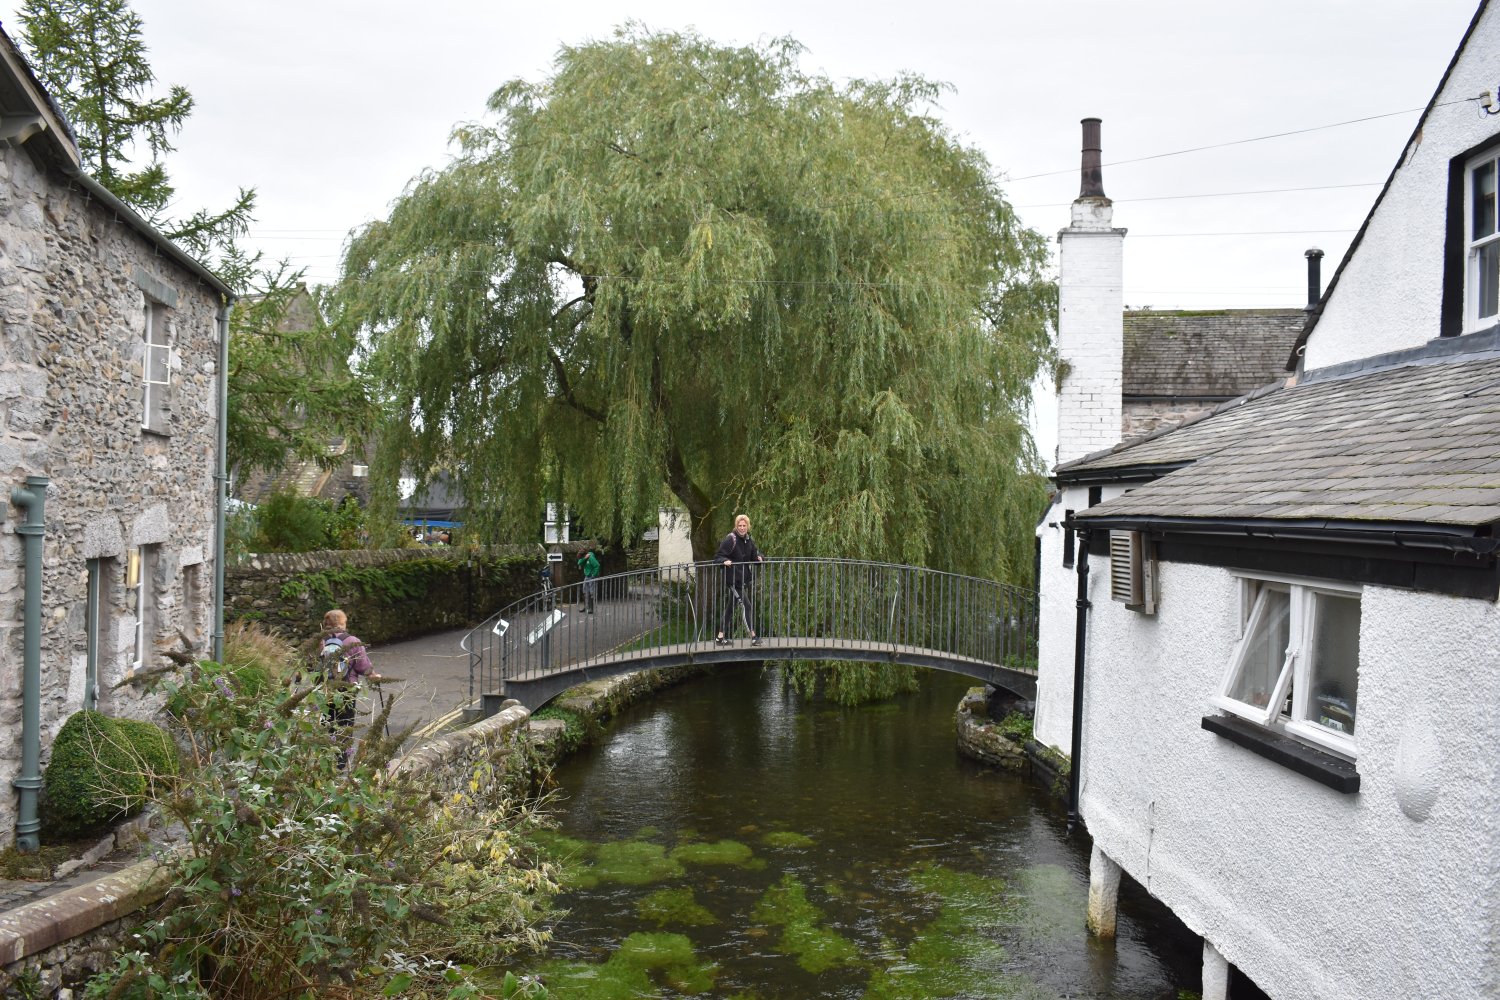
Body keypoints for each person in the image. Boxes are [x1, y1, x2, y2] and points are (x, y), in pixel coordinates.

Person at [317, 609, 376, 768]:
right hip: (347, 690)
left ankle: (325, 759)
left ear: (326, 623)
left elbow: (314, 665)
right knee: (345, 723)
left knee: (327, 723)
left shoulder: (321, 641)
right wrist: (374, 677)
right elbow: (364, 667)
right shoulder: (353, 641)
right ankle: (341, 762)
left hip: (326, 688)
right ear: (343, 623)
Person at [715, 514, 763, 646]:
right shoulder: (731, 539)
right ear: (736, 526)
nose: (742, 528)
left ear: (748, 526)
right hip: (733, 580)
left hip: (742, 580)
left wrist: (760, 558)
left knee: (731, 608)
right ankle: (753, 637)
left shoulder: (749, 540)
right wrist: (724, 560)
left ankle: (720, 637)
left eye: (744, 525)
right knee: (746, 606)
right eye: (740, 526)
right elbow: (718, 556)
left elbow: (754, 556)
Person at [577, 546, 601, 613]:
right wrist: (584, 558)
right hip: (587, 576)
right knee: (585, 591)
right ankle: (586, 607)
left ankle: (591, 609)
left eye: (582, 557)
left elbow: (597, 565)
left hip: (591, 577)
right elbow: (579, 563)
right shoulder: (584, 557)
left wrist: (594, 575)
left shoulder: (591, 558)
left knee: (591, 592)